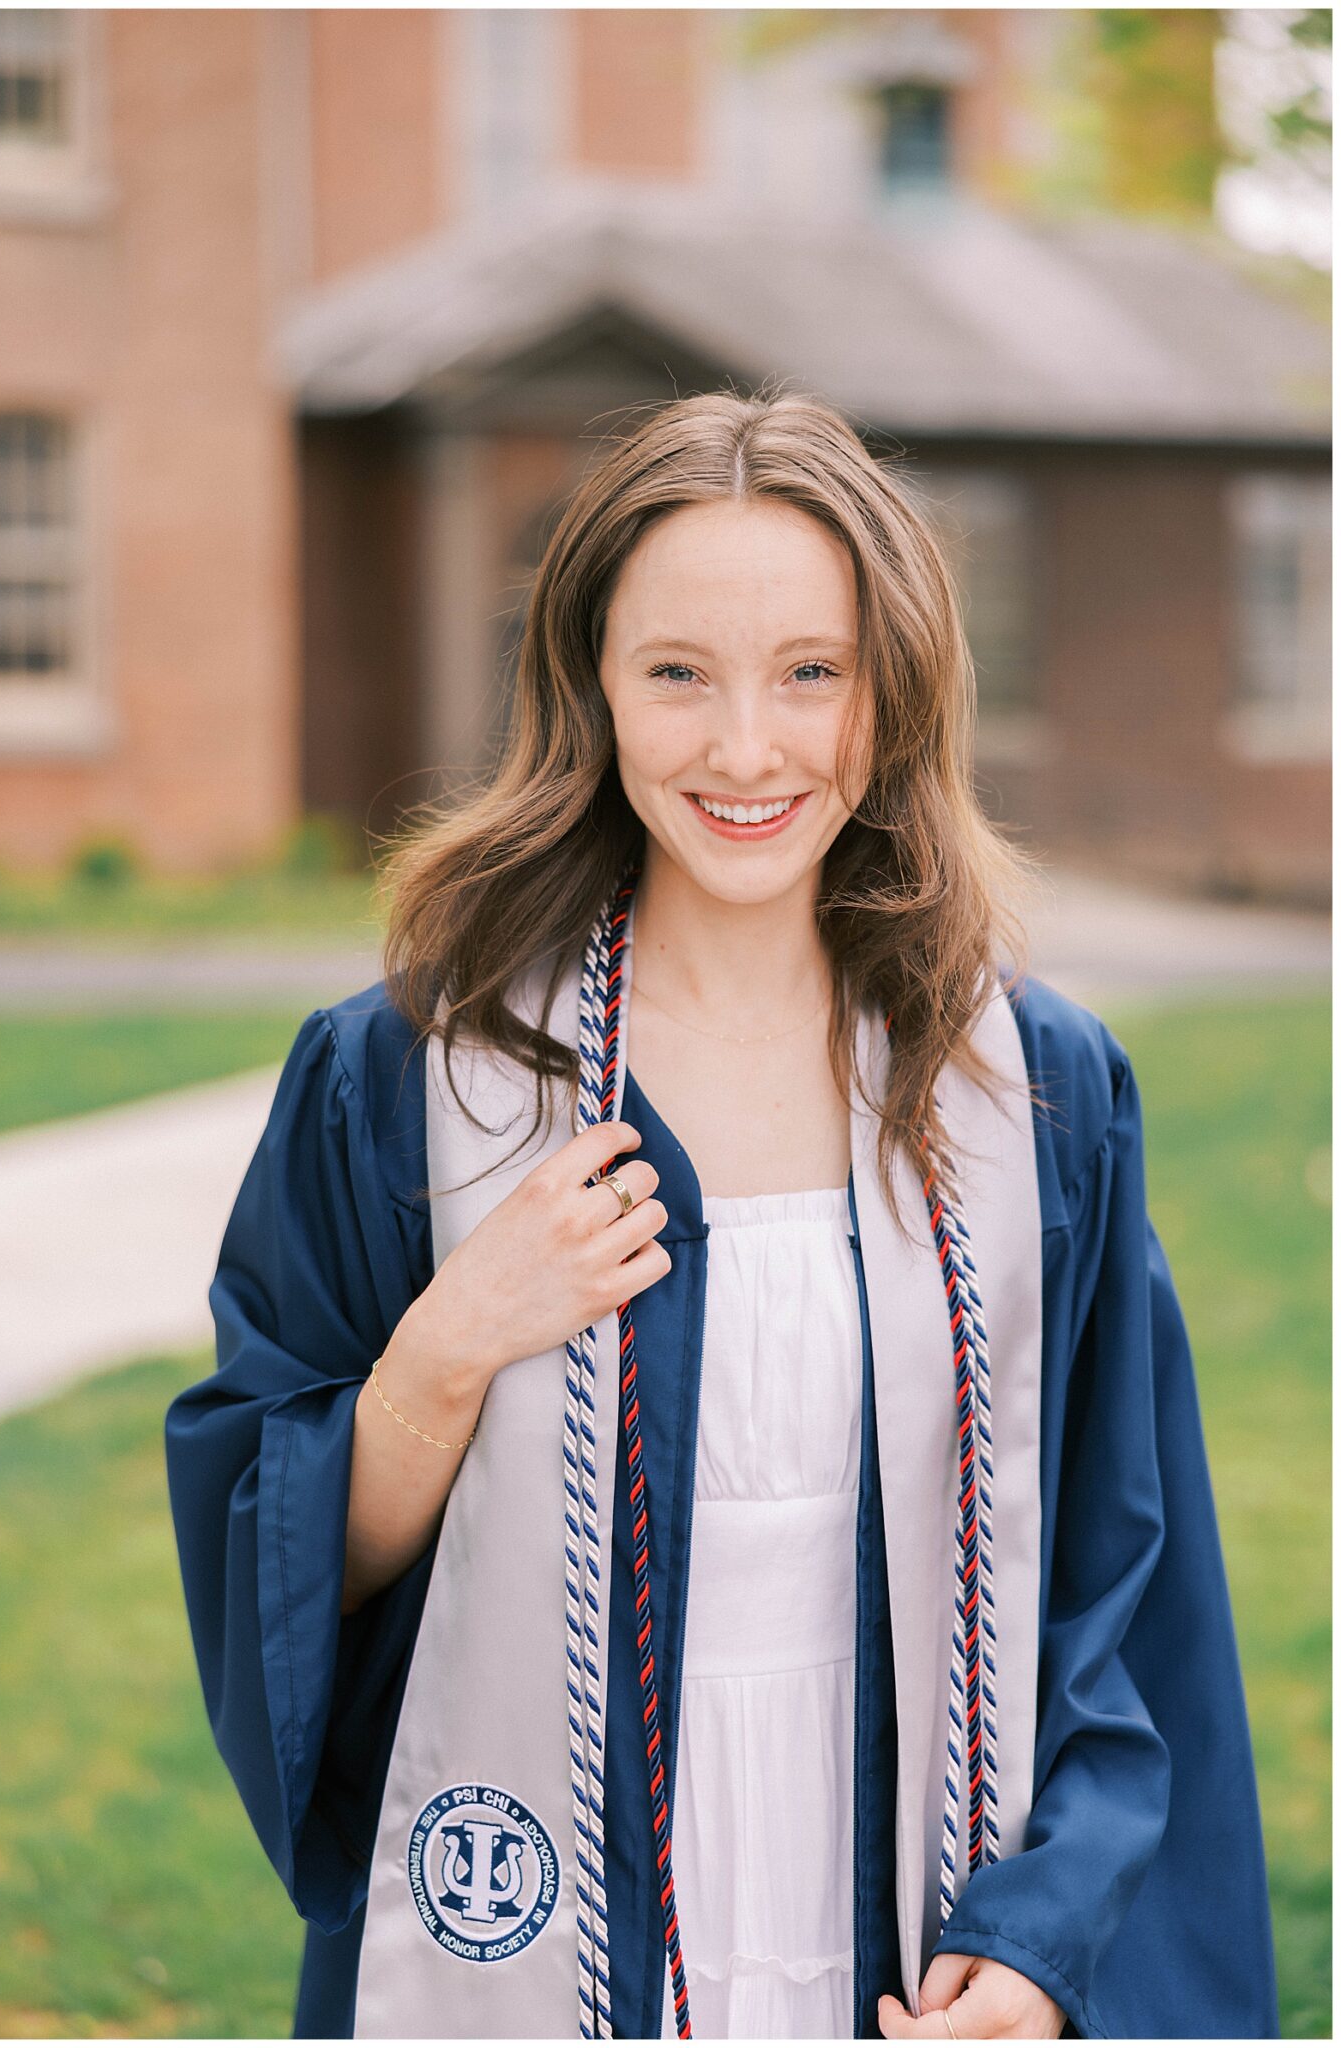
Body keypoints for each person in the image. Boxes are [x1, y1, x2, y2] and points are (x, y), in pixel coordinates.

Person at [165, 390, 1278, 2041]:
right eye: (678, 672)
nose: (747, 749)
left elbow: (1128, 1596)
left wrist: (1044, 1951)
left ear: (895, 691)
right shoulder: (412, 1085)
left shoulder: (1031, 1096)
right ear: (591, 685)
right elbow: (278, 1568)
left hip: (900, 1917)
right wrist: (449, 1346)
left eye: (812, 672)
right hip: (563, 1907)